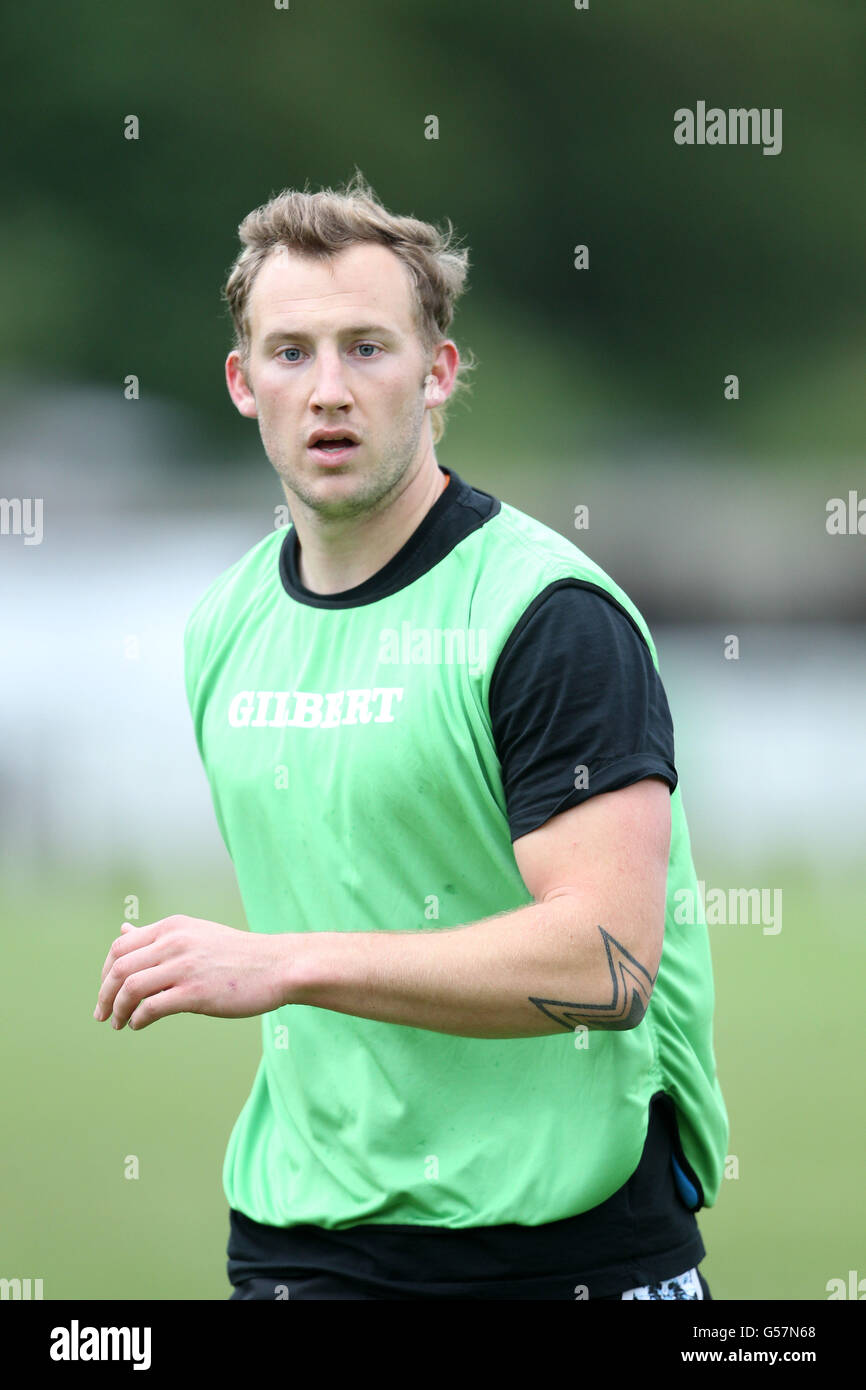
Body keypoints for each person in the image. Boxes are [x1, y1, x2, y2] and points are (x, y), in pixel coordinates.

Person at [93, 171, 728, 1301]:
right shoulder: (226, 625)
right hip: (304, 1240)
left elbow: (610, 962)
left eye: (367, 349)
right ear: (243, 384)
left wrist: (285, 964)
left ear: (436, 374)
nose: (327, 389)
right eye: (291, 353)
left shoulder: (546, 618)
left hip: (556, 1248)